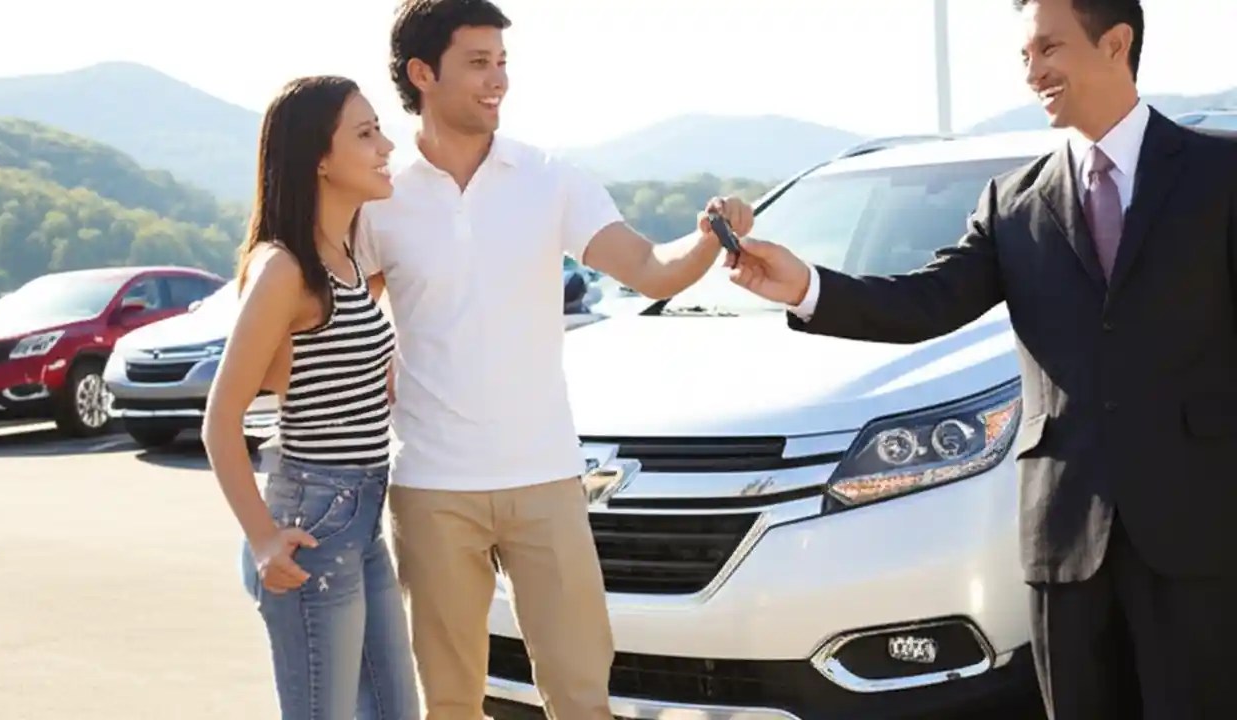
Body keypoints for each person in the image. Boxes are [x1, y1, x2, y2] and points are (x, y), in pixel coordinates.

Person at [726, 0, 1237, 718]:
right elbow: (926, 302)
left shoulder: (1221, 176)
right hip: (1066, 539)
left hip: (1200, 534)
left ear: (1116, 43)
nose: (1032, 73)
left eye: (1047, 49)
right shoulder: (1014, 202)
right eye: (1024, 56)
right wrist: (807, 286)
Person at [353, 2, 754, 718]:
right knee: (448, 702)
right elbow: (346, 324)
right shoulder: (380, 197)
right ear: (423, 73)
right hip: (433, 487)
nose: (498, 80)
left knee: (581, 696)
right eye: (478, 63)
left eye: (502, 62)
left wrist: (708, 240)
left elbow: (649, 270)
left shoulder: (549, 179)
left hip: (546, 480)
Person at [202, 75, 420, 720]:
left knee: (393, 711)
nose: (386, 146)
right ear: (319, 159)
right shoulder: (284, 269)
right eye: (365, 133)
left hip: (362, 516)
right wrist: (264, 539)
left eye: (380, 129)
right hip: (313, 520)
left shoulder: (348, 260)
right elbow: (221, 420)